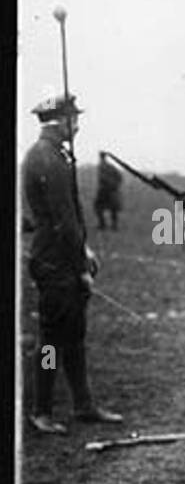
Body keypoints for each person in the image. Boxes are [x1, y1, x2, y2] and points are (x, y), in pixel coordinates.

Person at [22, 94, 123, 434]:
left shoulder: (53, 154)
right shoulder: (48, 158)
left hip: (63, 257)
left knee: (74, 334)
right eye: (74, 119)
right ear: (60, 121)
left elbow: (71, 215)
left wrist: (85, 250)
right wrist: (80, 266)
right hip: (55, 262)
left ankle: (83, 405)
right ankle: (42, 410)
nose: (78, 124)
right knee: (51, 339)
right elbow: (64, 220)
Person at [93, 151, 122, 231]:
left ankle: (102, 225)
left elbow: (102, 178)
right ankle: (113, 226)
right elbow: (119, 177)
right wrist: (115, 185)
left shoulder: (101, 166)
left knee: (98, 207)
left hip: (104, 190)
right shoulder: (111, 166)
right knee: (113, 209)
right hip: (112, 190)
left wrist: (110, 185)